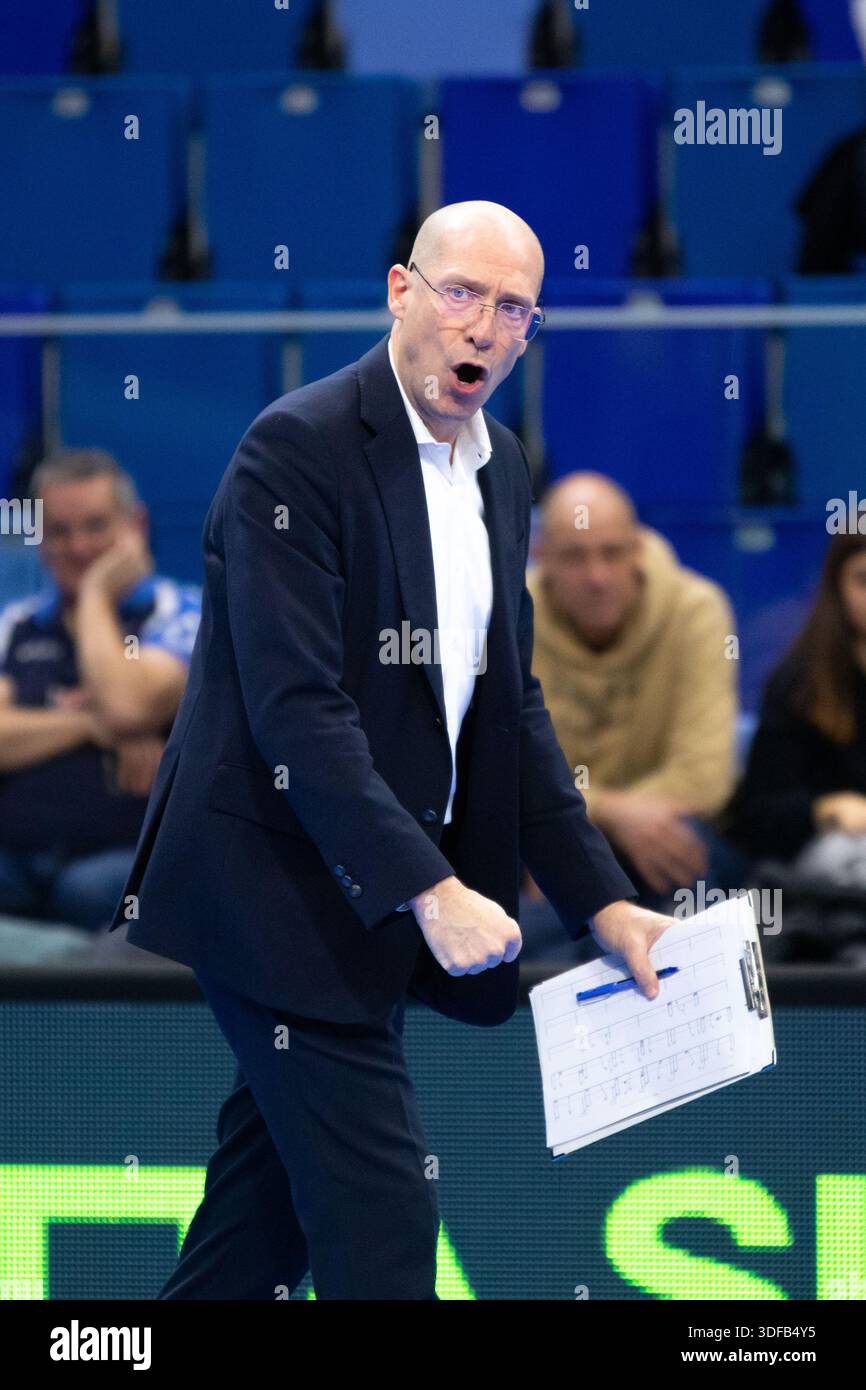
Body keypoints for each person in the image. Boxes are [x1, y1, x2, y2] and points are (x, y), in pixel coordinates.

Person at [108, 201, 677, 1301]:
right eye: (461, 292)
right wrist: (429, 887)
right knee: (382, 1221)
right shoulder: (296, 449)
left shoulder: (503, 468)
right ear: (399, 292)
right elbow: (296, 711)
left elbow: (507, 708)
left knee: (253, 1238)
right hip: (270, 889)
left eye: (513, 309)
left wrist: (602, 903)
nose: (482, 326)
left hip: (359, 898)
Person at [524, 472, 739, 926]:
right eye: (574, 557)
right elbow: (495, 769)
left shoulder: (696, 610)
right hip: (550, 836)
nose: (597, 576)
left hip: (656, 836)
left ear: (637, 548)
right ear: (541, 557)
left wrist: (582, 831)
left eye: (612, 553)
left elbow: (703, 777)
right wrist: (607, 814)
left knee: (689, 854)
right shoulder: (509, 620)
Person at [0, 449, 201, 929]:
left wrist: (94, 594)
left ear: (136, 524)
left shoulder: (181, 613)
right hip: (16, 857)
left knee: (86, 892)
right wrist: (91, 725)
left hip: (124, 865)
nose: (79, 547)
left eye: (96, 527)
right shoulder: (18, 625)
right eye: (61, 532)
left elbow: (127, 705)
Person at [722, 533, 866, 865]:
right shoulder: (799, 685)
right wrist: (826, 809)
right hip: (827, 872)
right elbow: (755, 817)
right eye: (863, 579)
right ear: (837, 586)